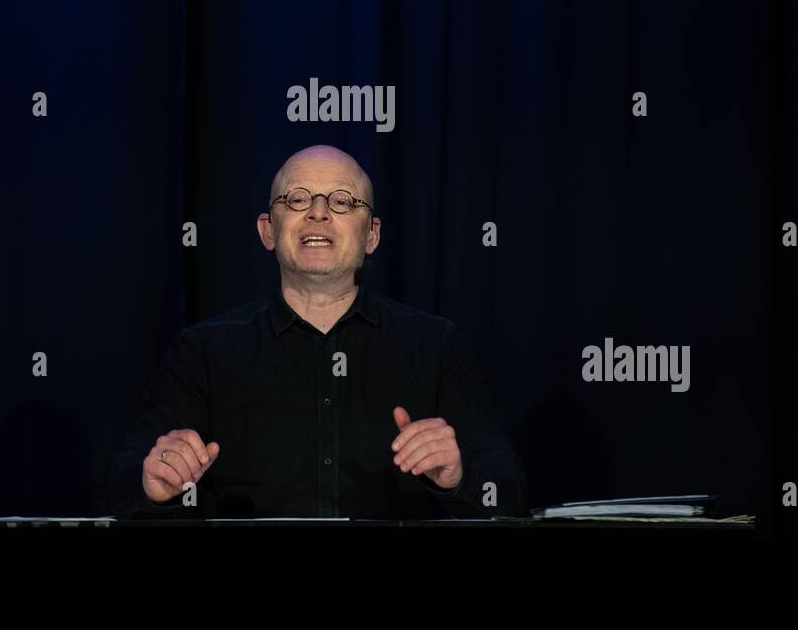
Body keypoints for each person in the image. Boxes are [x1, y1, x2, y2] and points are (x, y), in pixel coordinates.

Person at [102, 145, 528, 518]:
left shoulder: (437, 346)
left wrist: (457, 478)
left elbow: (508, 493)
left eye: (343, 201)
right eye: (297, 198)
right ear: (268, 230)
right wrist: (152, 486)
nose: (319, 212)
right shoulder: (202, 352)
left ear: (372, 236)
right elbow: (118, 489)